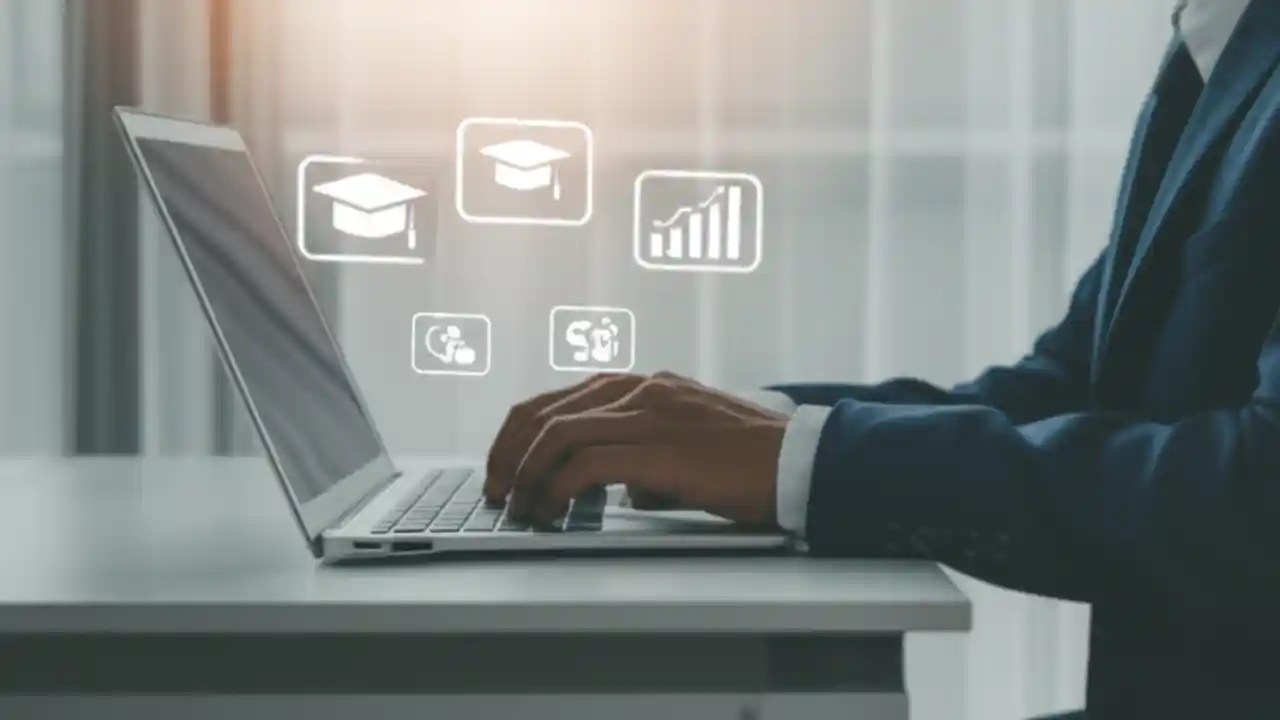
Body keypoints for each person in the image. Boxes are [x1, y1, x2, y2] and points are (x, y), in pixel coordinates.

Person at [483, 1, 1280, 717]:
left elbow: (1257, 498)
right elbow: (1069, 387)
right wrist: (748, 428)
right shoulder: (1222, 44)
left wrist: (806, 460)